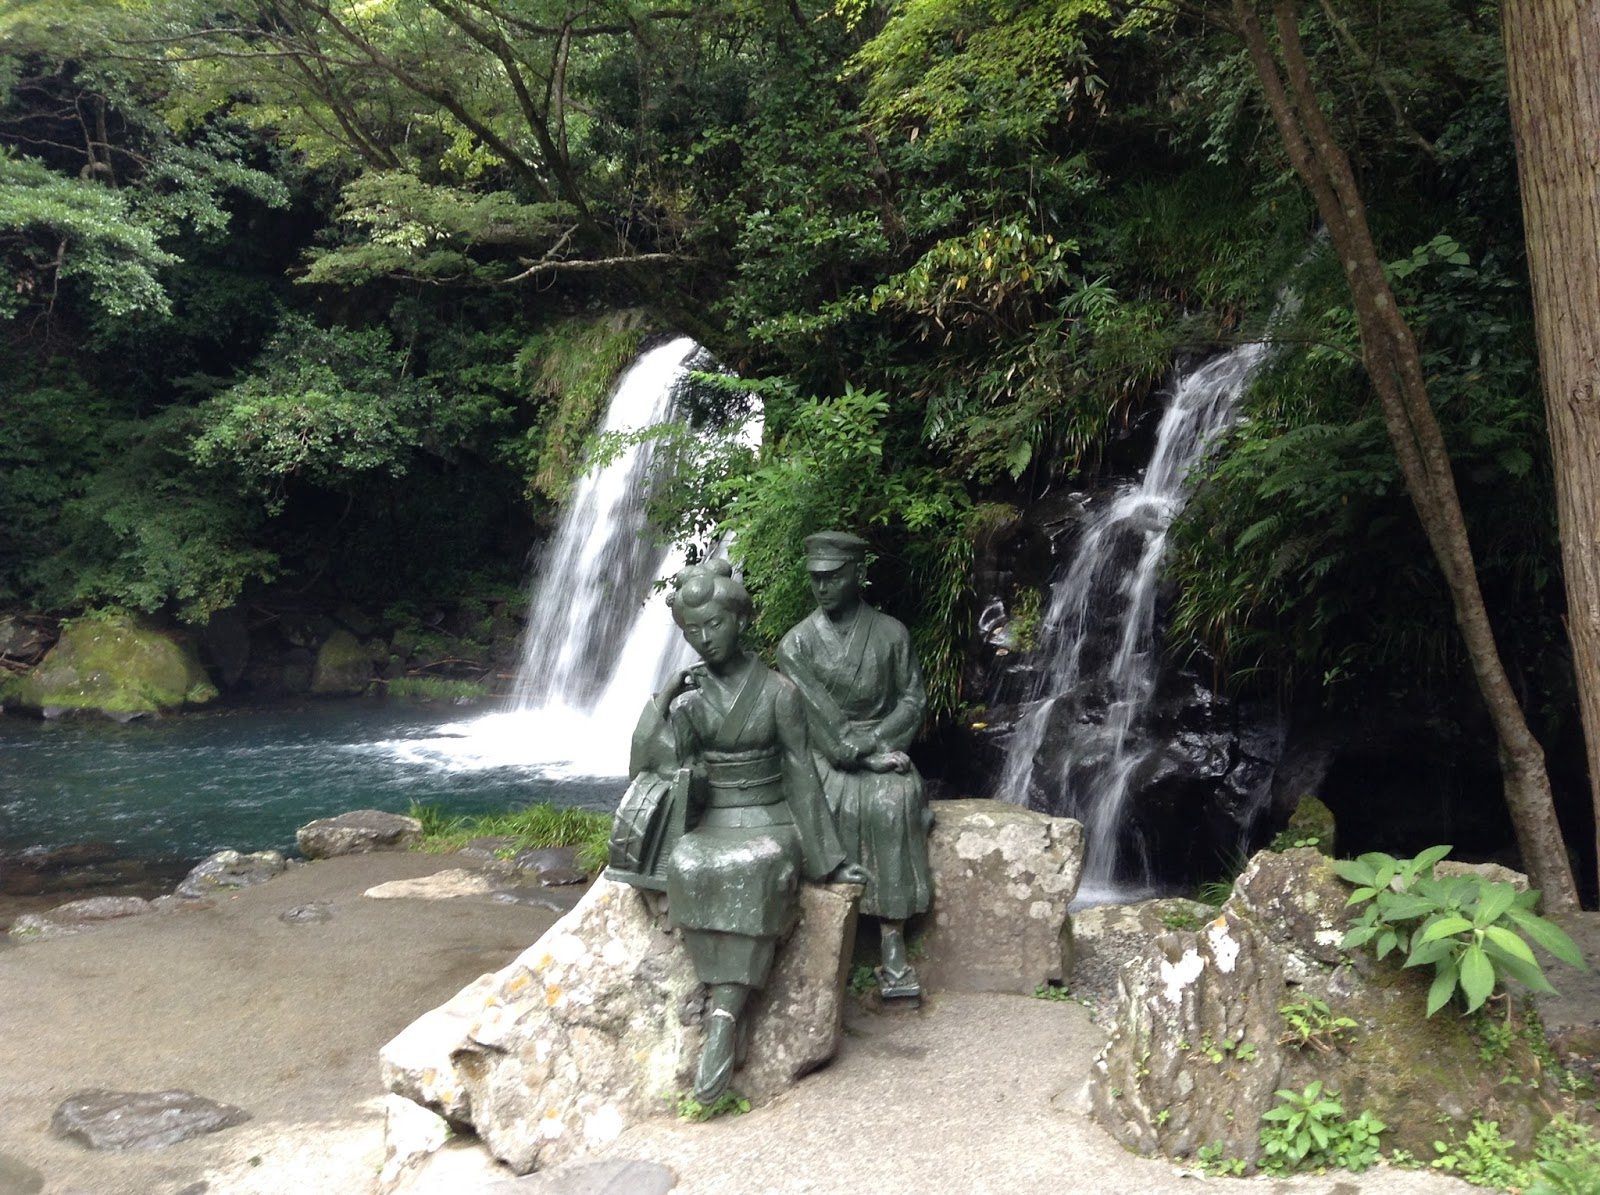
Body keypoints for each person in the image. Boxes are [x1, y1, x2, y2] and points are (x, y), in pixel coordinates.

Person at [620, 559, 867, 1104]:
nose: (707, 640)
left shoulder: (779, 693)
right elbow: (646, 765)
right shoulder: (688, 703)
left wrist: (827, 858)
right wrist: (662, 699)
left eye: (716, 624)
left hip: (771, 817)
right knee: (689, 863)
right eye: (694, 631)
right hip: (714, 819)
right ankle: (718, 994)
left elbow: (802, 773)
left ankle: (726, 1014)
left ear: (740, 621)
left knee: (754, 867)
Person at [778, 531, 932, 1001]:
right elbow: (813, 714)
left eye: (832, 577)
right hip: (828, 757)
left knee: (895, 802)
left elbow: (912, 699)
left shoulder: (891, 634)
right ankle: (825, 934)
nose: (822, 587)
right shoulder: (797, 644)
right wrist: (859, 753)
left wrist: (879, 740)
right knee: (819, 804)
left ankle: (891, 940)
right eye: (815, 579)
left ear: (855, 576)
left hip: (886, 748)